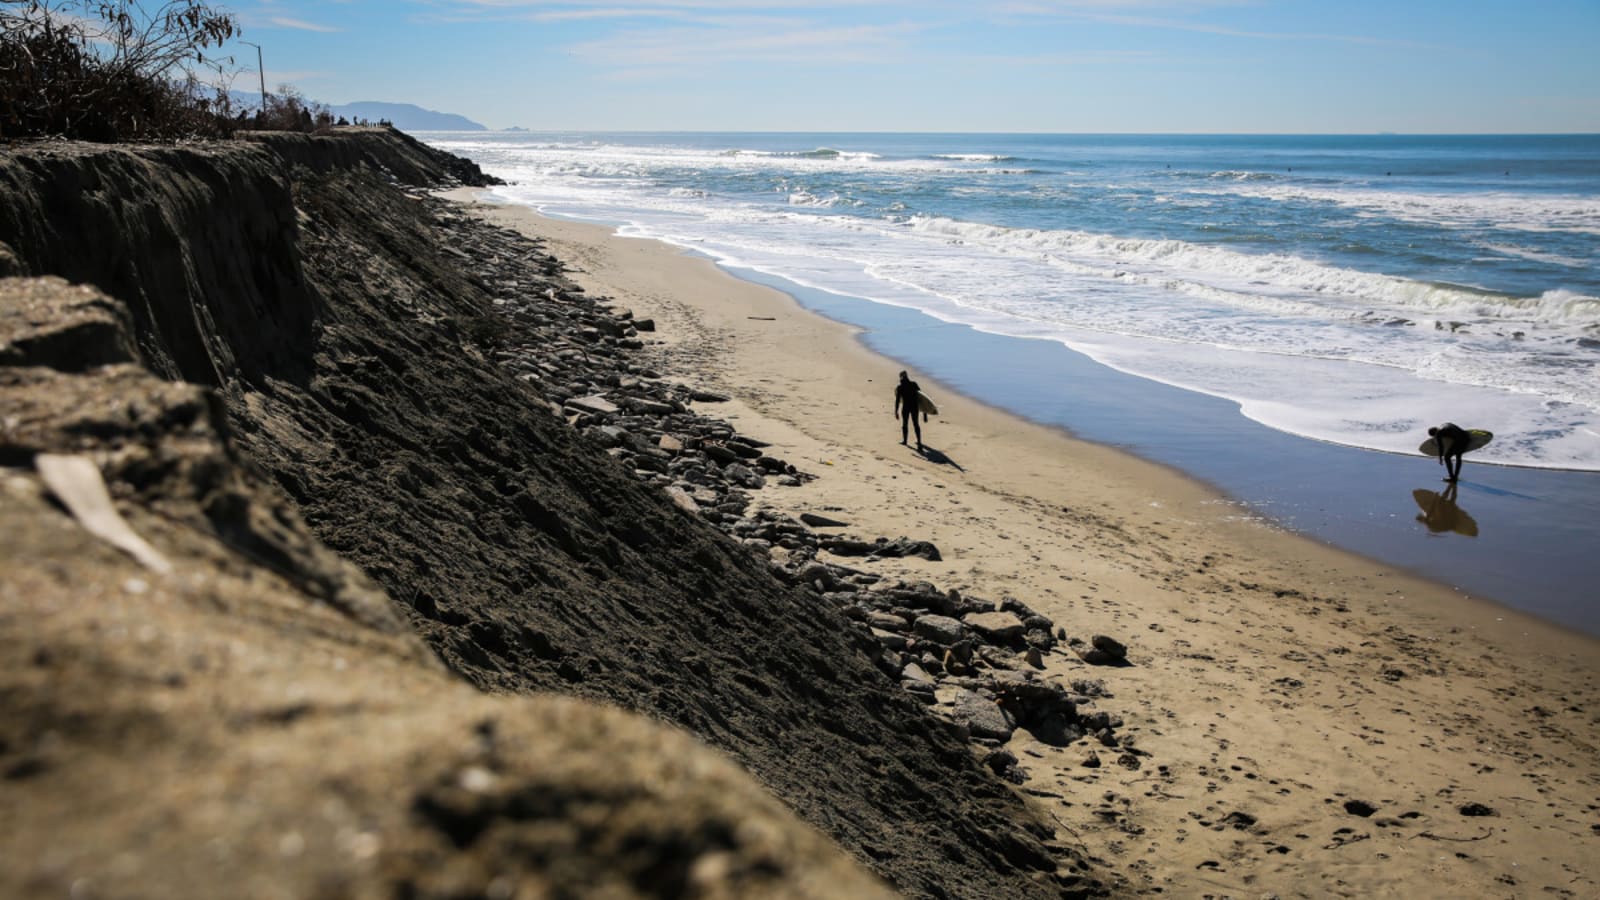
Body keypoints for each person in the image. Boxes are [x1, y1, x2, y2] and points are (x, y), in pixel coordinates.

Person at [893, 370, 926, 450]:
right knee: (916, 425)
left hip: (906, 408)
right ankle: (919, 443)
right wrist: (925, 413)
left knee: (905, 424)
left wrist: (896, 411)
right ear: (907, 376)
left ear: (901, 377)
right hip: (914, 407)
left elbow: (897, 400)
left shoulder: (900, 387)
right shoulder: (914, 384)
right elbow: (923, 399)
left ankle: (905, 441)